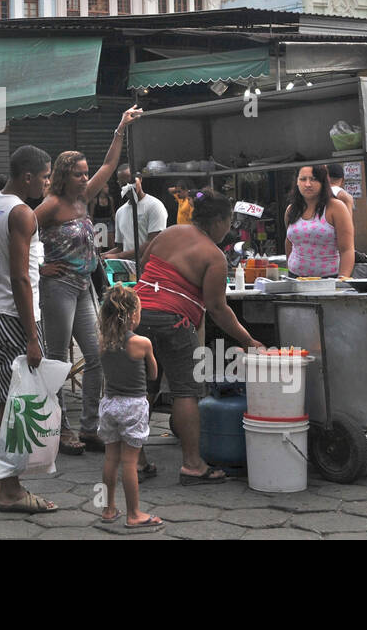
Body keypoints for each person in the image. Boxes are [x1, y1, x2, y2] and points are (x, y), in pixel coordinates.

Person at [135, 189, 264, 483]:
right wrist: (248, 341)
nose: (229, 229)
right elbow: (218, 309)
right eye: (229, 222)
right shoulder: (214, 256)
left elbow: (144, 266)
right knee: (186, 391)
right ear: (218, 220)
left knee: (143, 390)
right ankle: (193, 465)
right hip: (174, 323)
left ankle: (137, 460)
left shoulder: (168, 234)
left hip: (138, 316)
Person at [35, 106, 140, 456]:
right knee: (56, 361)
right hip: (58, 288)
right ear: (65, 176)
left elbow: (109, 167)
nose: (85, 178)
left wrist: (119, 128)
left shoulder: (83, 198)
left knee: (96, 357)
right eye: (79, 174)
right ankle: (60, 430)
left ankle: (90, 427)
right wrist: (37, 269)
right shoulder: (49, 206)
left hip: (83, 287)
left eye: (85, 173)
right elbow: (19, 235)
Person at [0, 144, 55, 513]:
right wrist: (32, 337)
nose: (49, 184)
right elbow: (20, 277)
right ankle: (11, 489)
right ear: (29, 176)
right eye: (46, 176)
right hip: (11, 315)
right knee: (18, 403)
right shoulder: (22, 213)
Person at [96, 285, 161, 530]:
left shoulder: (102, 342)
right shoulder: (142, 343)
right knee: (130, 463)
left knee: (110, 459)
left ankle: (108, 508)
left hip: (110, 405)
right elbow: (153, 375)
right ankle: (134, 514)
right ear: (133, 315)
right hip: (133, 406)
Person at [284, 164, 354, 279]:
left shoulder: (336, 207)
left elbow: (347, 249)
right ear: (296, 182)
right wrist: (289, 269)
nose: (307, 184)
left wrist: (342, 280)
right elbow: (289, 242)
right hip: (295, 278)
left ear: (323, 182)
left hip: (329, 280)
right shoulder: (291, 210)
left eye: (313, 179)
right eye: (302, 179)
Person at [104, 165, 168, 261]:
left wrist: (118, 256)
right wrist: (102, 256)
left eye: (131, 182)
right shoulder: (120, 212)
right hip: (127, 270)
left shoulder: (154, 206)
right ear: (119, 184)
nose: (129, 187)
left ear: (140, 179)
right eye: (124, 185)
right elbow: (121, 248)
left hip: (148, 269)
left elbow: (153, 242)